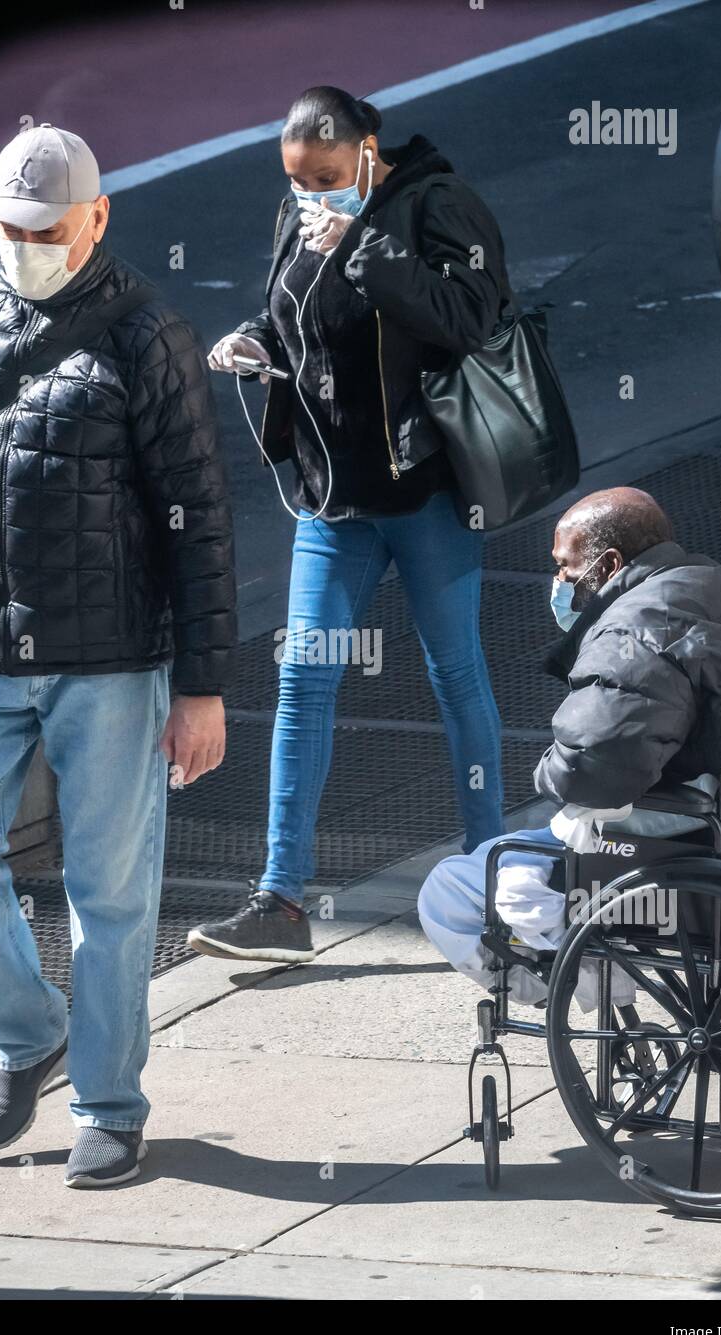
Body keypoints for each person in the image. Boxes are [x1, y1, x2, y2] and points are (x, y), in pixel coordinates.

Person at [0, 124, 236, 1189]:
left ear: (96, 218)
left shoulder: (148, 336)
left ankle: (109, 1106)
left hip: (109, 662)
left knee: (109, 894)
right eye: (10, 226)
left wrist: (200, 686)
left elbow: (197, 519)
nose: (23, 242)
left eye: (44, 226)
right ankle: (30, 1034)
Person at [190, 85, 511, 964]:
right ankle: (280, 898)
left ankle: (491, 872)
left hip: (429, 493)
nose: (311, 196)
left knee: (456, 675)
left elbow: (472, 321)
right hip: (335, 501)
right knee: (303, 683)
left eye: (328, 177)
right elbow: (300, 317)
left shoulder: (437, 204)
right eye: (298, 183)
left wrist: (367, 249)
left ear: (370, 150)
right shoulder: (306, 215)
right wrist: (257, 342)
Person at [418, 486, 721, 988]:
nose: (559, 582)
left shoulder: (630, 630)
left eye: (565, 567)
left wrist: (547, 768)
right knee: (505, 859)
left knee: (451, 886)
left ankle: (572, 986)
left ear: (607, 566)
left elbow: (590, 772)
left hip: (661, 843)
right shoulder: (715, 586)